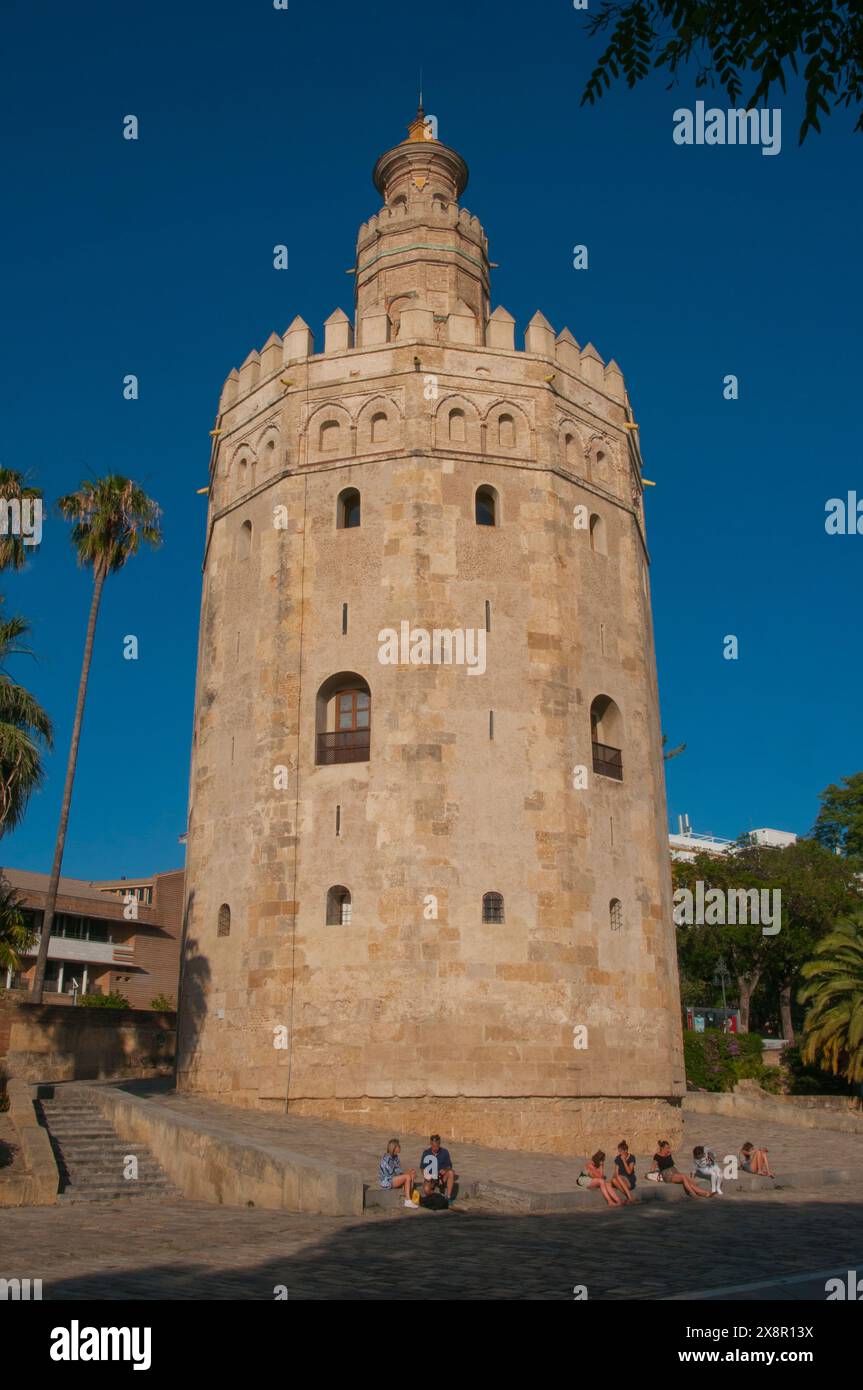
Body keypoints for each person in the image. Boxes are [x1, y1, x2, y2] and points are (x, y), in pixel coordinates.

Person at [379, 1138, 418, 1208]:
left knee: (411, 1174)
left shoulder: (395, 1157)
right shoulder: (387, 1158)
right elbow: (391, 1174)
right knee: (407, 1176)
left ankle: (409, 1196)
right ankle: (407, 1200)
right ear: (393, 1148)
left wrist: (409, 1172)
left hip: (393, 1179)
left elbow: (399, 1171)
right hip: (387, 1181)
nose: (400, 1148)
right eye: (398, 1146)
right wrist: (406, 1174)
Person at [420, 1134, 456, 1203]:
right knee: (426, 1190)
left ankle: (448, 1197)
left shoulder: (445, 1152)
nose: (435, 1148)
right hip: (431, 1179)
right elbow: (422, 1168)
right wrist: (426, 1176)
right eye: (433, 1146)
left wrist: (445, 1170)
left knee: (451, 1172)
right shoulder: (426, 1153)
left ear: (439, 1144)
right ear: (431, 1144)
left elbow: (449, 1166)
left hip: (442, 1178)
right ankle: (437, 1197)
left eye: (437, 1146)